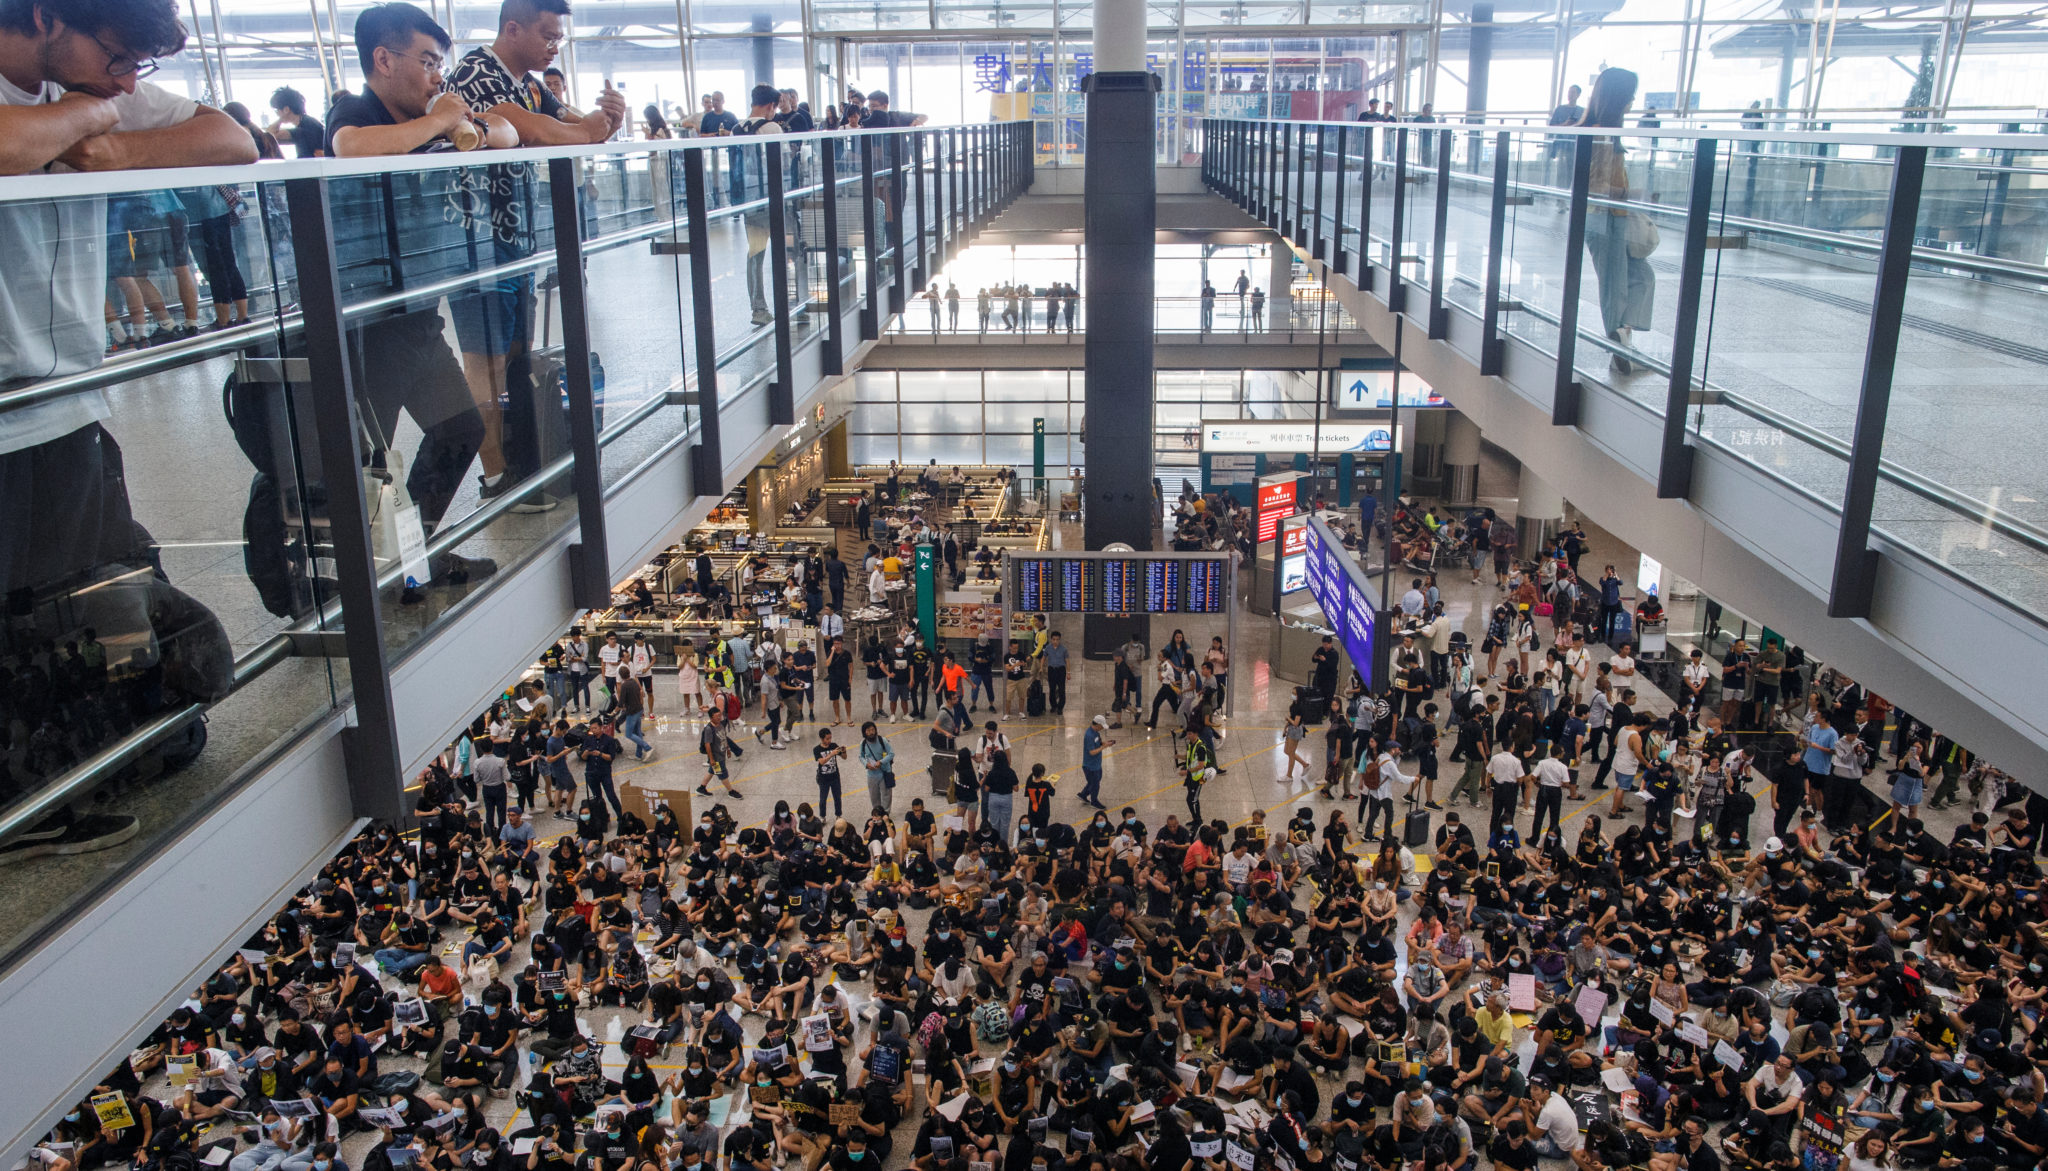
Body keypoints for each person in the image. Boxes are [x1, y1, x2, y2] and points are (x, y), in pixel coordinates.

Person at [0, 0, 258, 855]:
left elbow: (234, 141)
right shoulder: (74, 91)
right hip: (11, 416)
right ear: (42, 14)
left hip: (70, 403)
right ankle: (29, 806)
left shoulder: (85, 83)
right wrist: (84, 115)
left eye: (134, 71)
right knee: (23, 620)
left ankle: (79, 763)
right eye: (117, 57)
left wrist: (108, 135)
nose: (124, 80)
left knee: (116, 616)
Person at [1576, 66, 1653, 376]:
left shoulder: (1608, 131)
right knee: (1614, 287)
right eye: (1630, 95)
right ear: (1618, 97)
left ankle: (1621, 337)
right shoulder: (1598, 132)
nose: (1632, 101)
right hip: (1601, 218)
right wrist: (1633, 193)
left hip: (1614, 217)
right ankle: (1620, 351)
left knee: (1642, 276)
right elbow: (1593, 186)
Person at [730, 84, 786, 325]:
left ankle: (758, 309)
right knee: (787, 251)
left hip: (749, 200)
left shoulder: (736, 129)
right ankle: (790, 303)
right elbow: (781, 163)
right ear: (771, 106)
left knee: (756, 253)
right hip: (771, 196)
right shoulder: (772, 127)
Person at [267, 84, 326, 157]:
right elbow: (269, 135)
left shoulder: (307, 126)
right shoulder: (306, 122)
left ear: (286, 109)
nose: (276, 114)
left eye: (276, 110)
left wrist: (281, 119)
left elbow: (270, 135)